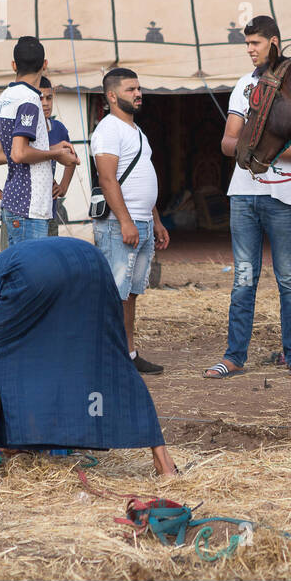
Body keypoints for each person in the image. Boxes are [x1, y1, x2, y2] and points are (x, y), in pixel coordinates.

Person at [0, 237, 177, 484]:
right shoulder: (6, 296)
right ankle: (164, 461)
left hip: (37, 271)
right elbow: (47, 367)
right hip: (94, 264)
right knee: (114, 358)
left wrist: (1, 439)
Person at [206, 16, 291, 380]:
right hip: (243, 194)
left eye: (255, 43)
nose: (250, 50)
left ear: (273, 41)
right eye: (247, 44)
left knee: (289, 279)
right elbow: (228, 142)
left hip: (285, 196)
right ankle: (234, 355)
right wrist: (250, 145)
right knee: (243, 278)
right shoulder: (243, 85)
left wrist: (271, 150)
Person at [90, 68, 169, 375]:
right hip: (118, 224)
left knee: (130, 293)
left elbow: (140, 180)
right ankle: (106, 357)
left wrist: (156, 220)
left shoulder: (136, 130)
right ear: (112, 96)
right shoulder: (109, 129)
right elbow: (107, 179)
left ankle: (129, 353)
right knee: (114, 293)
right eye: (130, 89)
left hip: (141, 221)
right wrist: (125, 222)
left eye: (139, 88)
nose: (138, 94)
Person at [0, 77, 76, 244]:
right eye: (40, 98)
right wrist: (1, 195)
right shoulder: (19, 128)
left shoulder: (58, 128)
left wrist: (63, 186)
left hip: (47, 209)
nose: (45, 103)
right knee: (18, 264)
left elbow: (70, 156)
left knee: (47, 266)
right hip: (20, 208)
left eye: (49, 97)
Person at [0, 37, 79, 246]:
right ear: (45, 65)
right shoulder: (30, 99)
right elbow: (19, 153)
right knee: (31, 275)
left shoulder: (6, 96)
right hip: (28, 207)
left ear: (14, 65)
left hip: (17, 202)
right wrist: (55, 154)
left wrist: (52, 148)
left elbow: (8, 151)